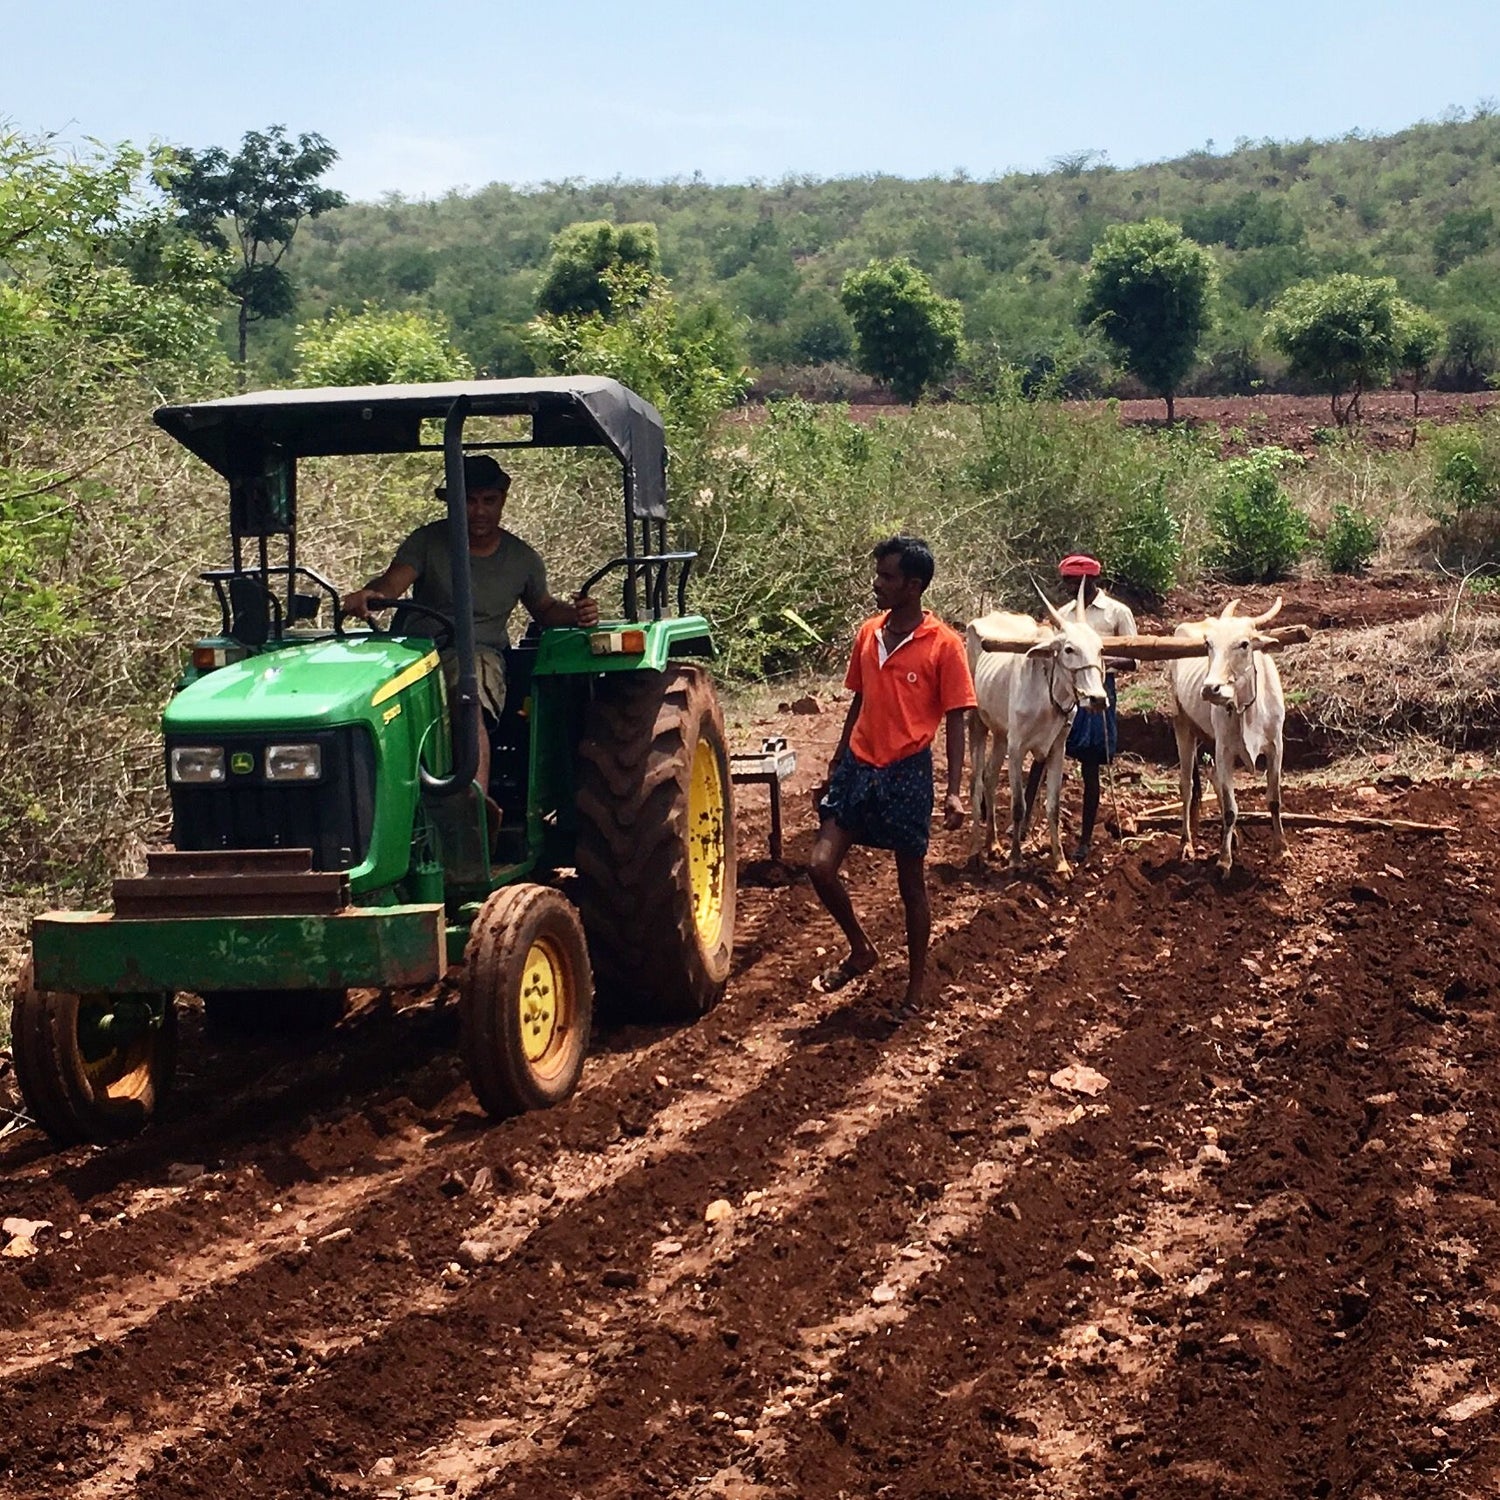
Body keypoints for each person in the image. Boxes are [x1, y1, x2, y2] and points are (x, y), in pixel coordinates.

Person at [341, 454, 600, 813]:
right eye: (469, 500)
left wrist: (577, 614)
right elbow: (391, 584)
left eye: (488, 501)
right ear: (453, 502)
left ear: (502, 501)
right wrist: (372, 595)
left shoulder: (521, 559)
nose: (479, 511)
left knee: (470, 684)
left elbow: (543, 610)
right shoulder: (427, 542)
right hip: (416, 655)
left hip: (480, 653)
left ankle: (472, 806)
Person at [808, 535, 976, 1020]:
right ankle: (861, 949)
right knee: (820, 866)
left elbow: (958, 716)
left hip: (907, 772)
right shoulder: (868, 634)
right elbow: (858, 700)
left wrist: (953, 792)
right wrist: (838, 761)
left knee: (911, 885)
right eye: (878, 574)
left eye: (887, 577)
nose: (877, 584)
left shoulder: (943, 645)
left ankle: (915, 990)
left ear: (914, 586)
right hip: (860, 766)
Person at [1027, 553, 1136, 864]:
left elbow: (1133, 659)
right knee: (1041, 755)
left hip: (1098, 690)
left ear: (1091, 581)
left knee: (1090, 767)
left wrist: (1096, 663)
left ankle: (1085, 840)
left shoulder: (1117, 613)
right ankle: (1023, 827)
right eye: (1065, 582)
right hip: (1063, 692)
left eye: (1073, 582)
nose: (1067, 588)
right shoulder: (1061, 616)